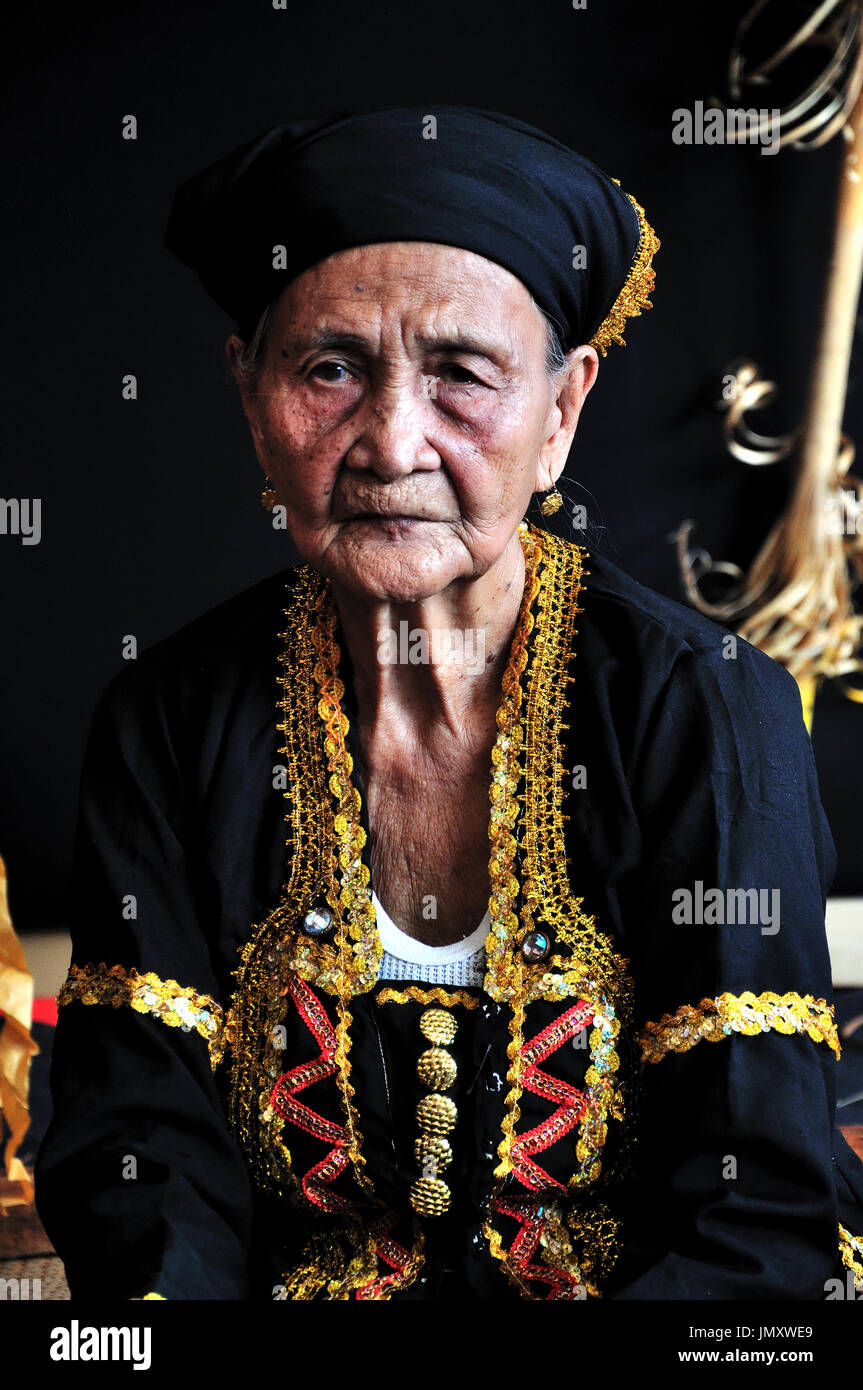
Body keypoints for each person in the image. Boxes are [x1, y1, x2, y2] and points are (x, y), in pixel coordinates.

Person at [36, 106, 863, 1300]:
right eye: (329, 368)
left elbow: (756, 1200)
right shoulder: (168, 719)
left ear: (560, 413)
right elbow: (141, 1158)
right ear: (248, 393)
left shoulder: (704, 710)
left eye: (461, 375)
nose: (390, 442)